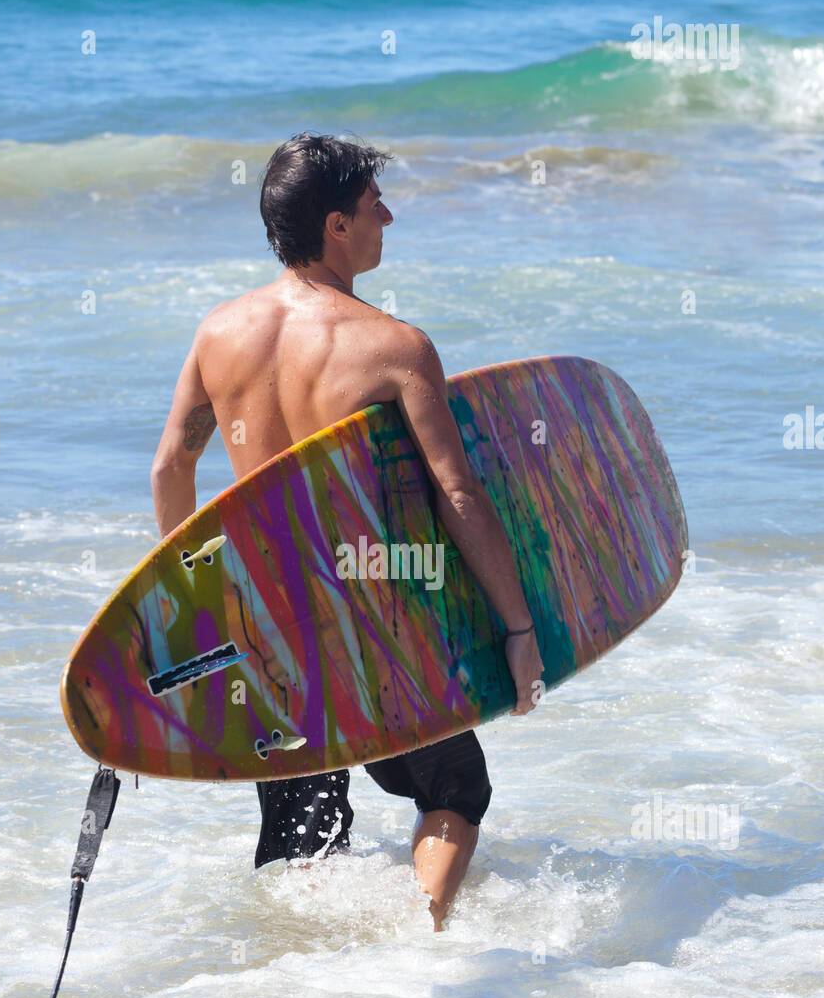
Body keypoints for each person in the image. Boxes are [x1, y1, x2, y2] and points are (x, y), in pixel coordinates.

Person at [151, 132, 543, 929]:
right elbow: (456, 497)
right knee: (454, 788)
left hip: (267, 626)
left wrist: (198, 612)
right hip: (373, 625)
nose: (387, 217)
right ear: (336, 224)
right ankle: (421, 937)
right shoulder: (393, 347)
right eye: (372, 206)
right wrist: (518, 627)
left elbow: (170, 471)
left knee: (298, 831)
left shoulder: (218, 333)